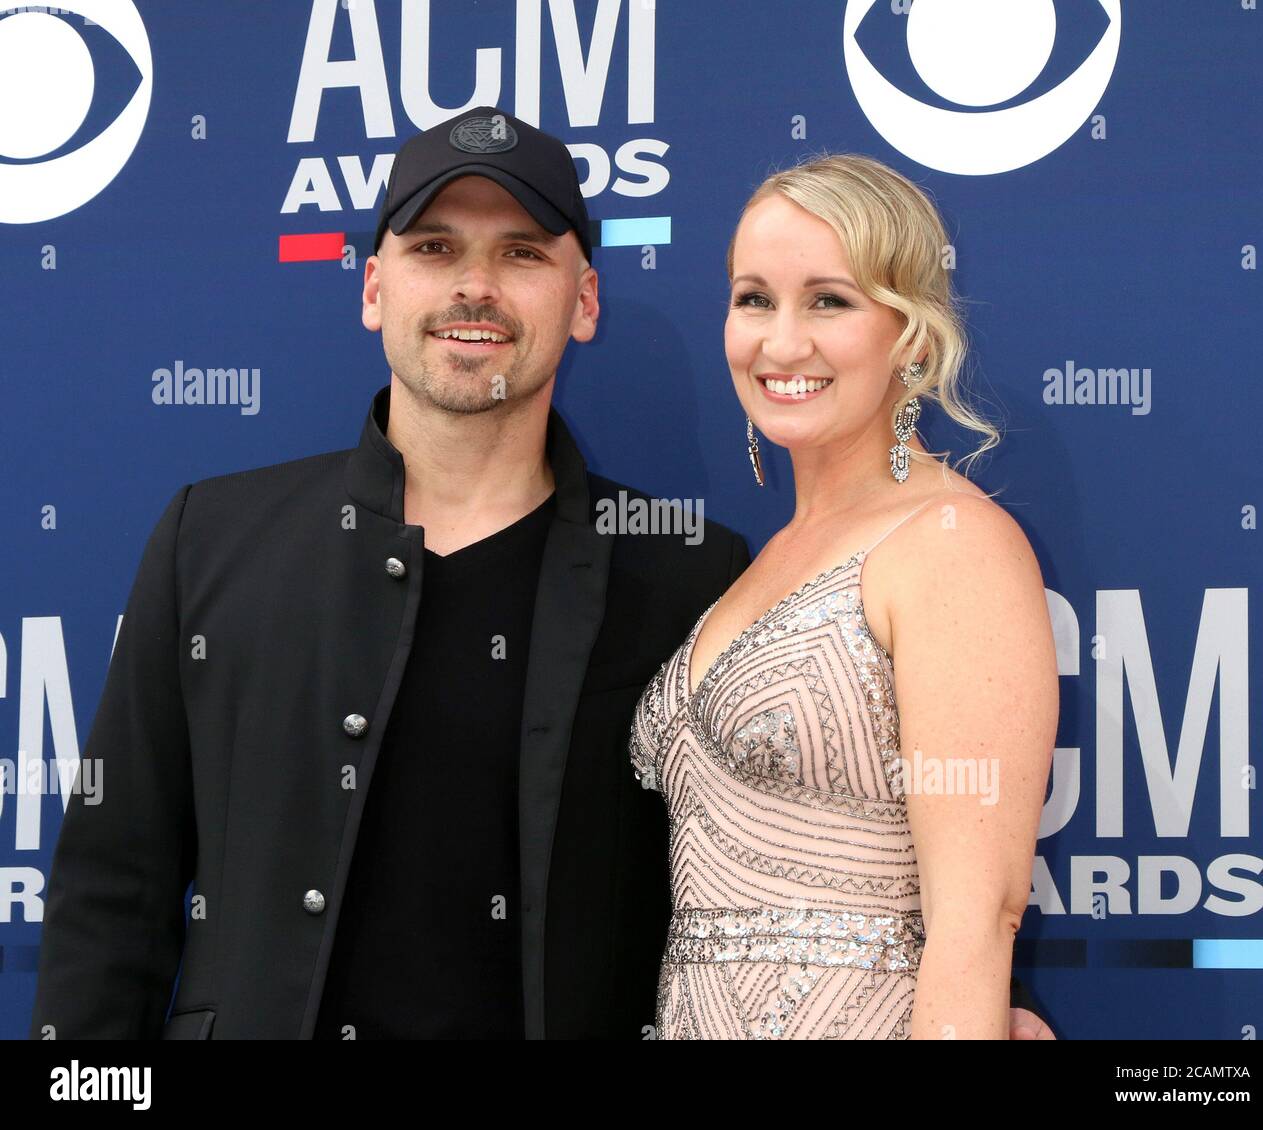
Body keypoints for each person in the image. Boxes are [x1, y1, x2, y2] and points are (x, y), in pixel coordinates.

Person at [28, 108, 1052, 1039]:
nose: (475, 285)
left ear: (585, 299)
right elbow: (112, 888)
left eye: (522, 253)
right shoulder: (215, 538)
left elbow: (907, 877)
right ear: (375, 284)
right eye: (435, 249)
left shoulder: (685, 571)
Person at [630, 153, 1059, 1039]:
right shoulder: (761, 562)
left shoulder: (953, 546)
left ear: (908, 331)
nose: (781, 343)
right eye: (754, 298)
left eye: (829, 300)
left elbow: (977, 924)